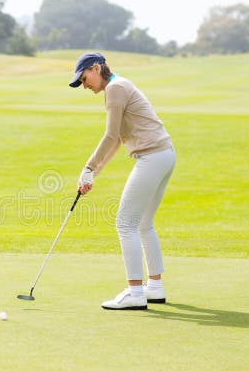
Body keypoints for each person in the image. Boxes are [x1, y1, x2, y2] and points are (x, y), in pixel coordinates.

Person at [70, 52, 176, 310]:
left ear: (96, 68)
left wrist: (87, 167)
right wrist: (94, 174)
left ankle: (135, 292)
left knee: (124, 223)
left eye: (85, 79)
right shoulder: (120, 85)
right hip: (164, 155)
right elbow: (118, 139)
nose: (85, 86)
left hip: (151, 157)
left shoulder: (115, 88)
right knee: (143, 224)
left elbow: (109, 135)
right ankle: (154, 287)